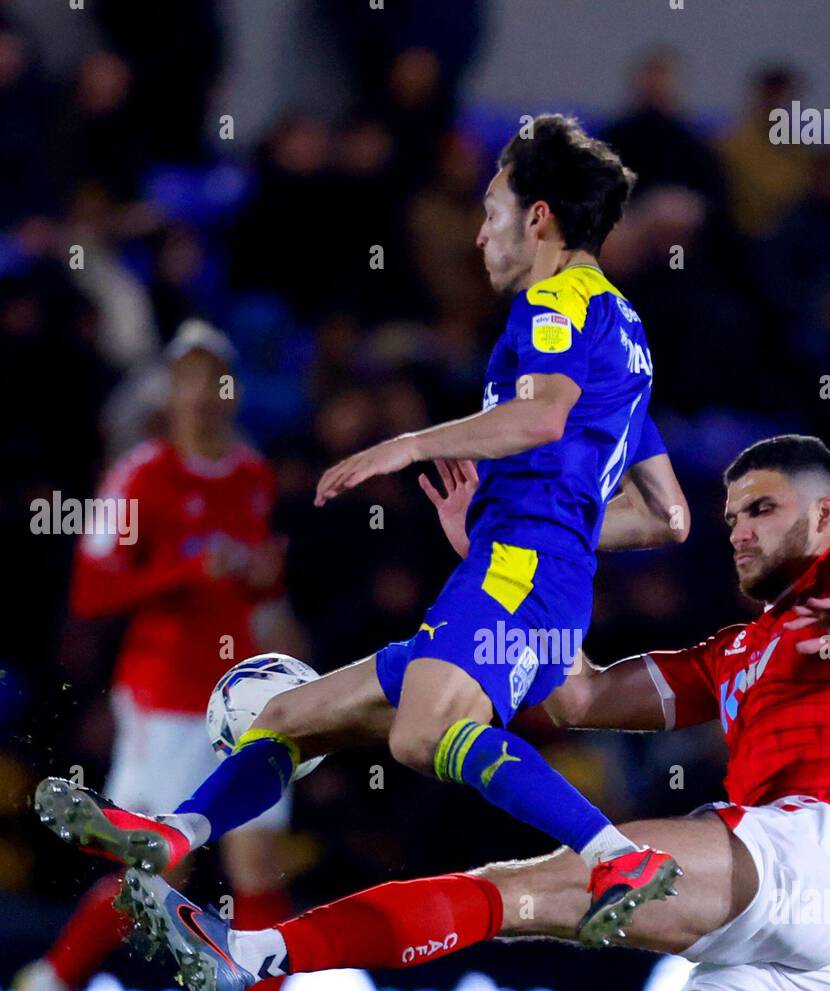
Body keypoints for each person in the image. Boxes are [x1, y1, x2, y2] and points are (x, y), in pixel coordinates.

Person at [118, 434, 830, 991]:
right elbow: (572, 691)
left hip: (815, 848)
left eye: (762, 510)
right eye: (733, 512)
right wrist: (495, 573)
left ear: (824, 516)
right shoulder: (733, 651)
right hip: (814, 938)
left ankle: (261, 951)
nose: (737, 529)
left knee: (526, 889)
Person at [36, 114, 691, 944]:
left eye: (492, 211)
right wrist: (510, 521)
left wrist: (407, 445)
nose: (480, 233)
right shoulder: (626, 331)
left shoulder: (556, 300)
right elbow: (667, 515)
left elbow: (541, 420)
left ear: (540, 218)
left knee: (423, 734)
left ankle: (614, 853)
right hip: (522, 569)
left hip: (519, 576)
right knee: (295, 718)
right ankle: (176, 834)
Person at [20, 320, 337, 991]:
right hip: (164, 701)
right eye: (188, 379)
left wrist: (264, 590)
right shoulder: (141, 477)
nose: (201, 394)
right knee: (160, 870)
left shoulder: (253, 475)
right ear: (171, 392)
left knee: (259, 865)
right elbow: (91, 592)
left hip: (242, 700)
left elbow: (257, 591)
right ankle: (50, 987)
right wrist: (182, 570)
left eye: (214, 379)